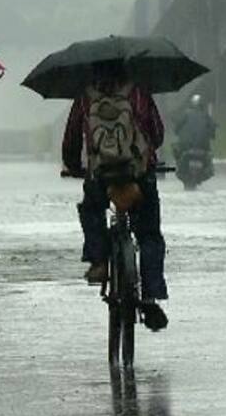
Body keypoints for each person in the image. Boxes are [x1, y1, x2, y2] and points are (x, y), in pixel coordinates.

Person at [61, 63, 169, 331]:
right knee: (149, 235)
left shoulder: (85, 96)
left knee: (91, 209)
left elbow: (72, 139)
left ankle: (98, 261)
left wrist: (74, 166)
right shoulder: (140, 92)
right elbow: (157, 133)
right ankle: (150, 293)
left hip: (101, 175)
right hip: (139, 175)